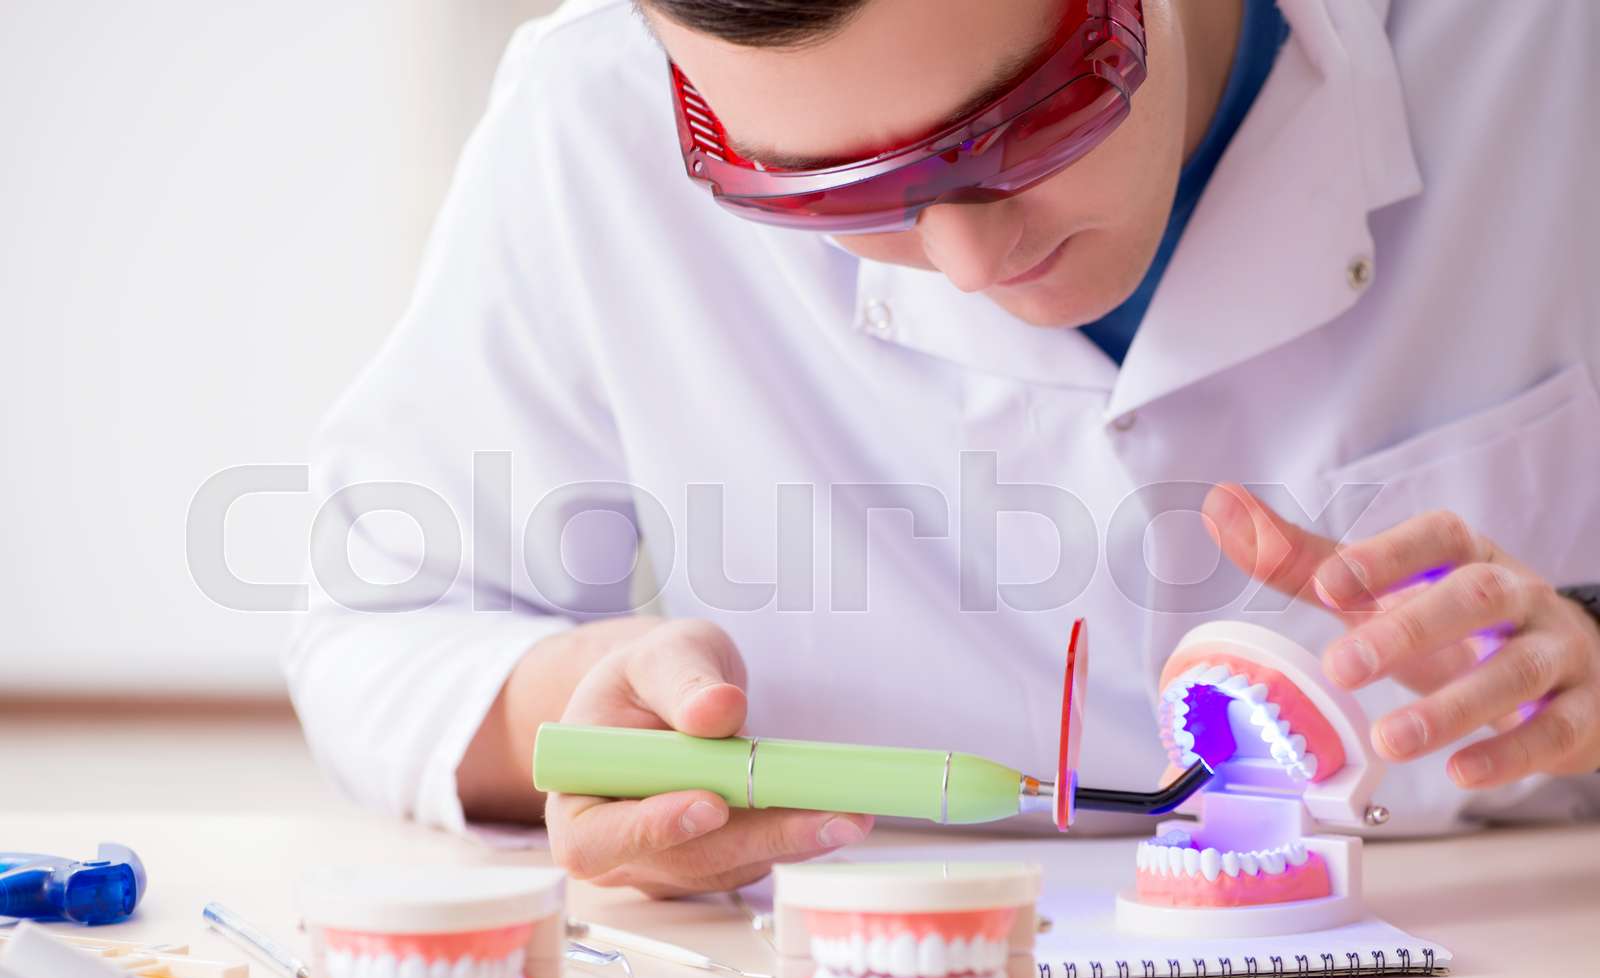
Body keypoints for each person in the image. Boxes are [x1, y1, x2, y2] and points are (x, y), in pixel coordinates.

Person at [286, 0, 1600, 899]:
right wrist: (573, 700)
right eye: (831, 192)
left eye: (1028, 122)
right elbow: (377, 629)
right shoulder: (594, 118)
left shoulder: (1547, 55)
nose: (971, 259)